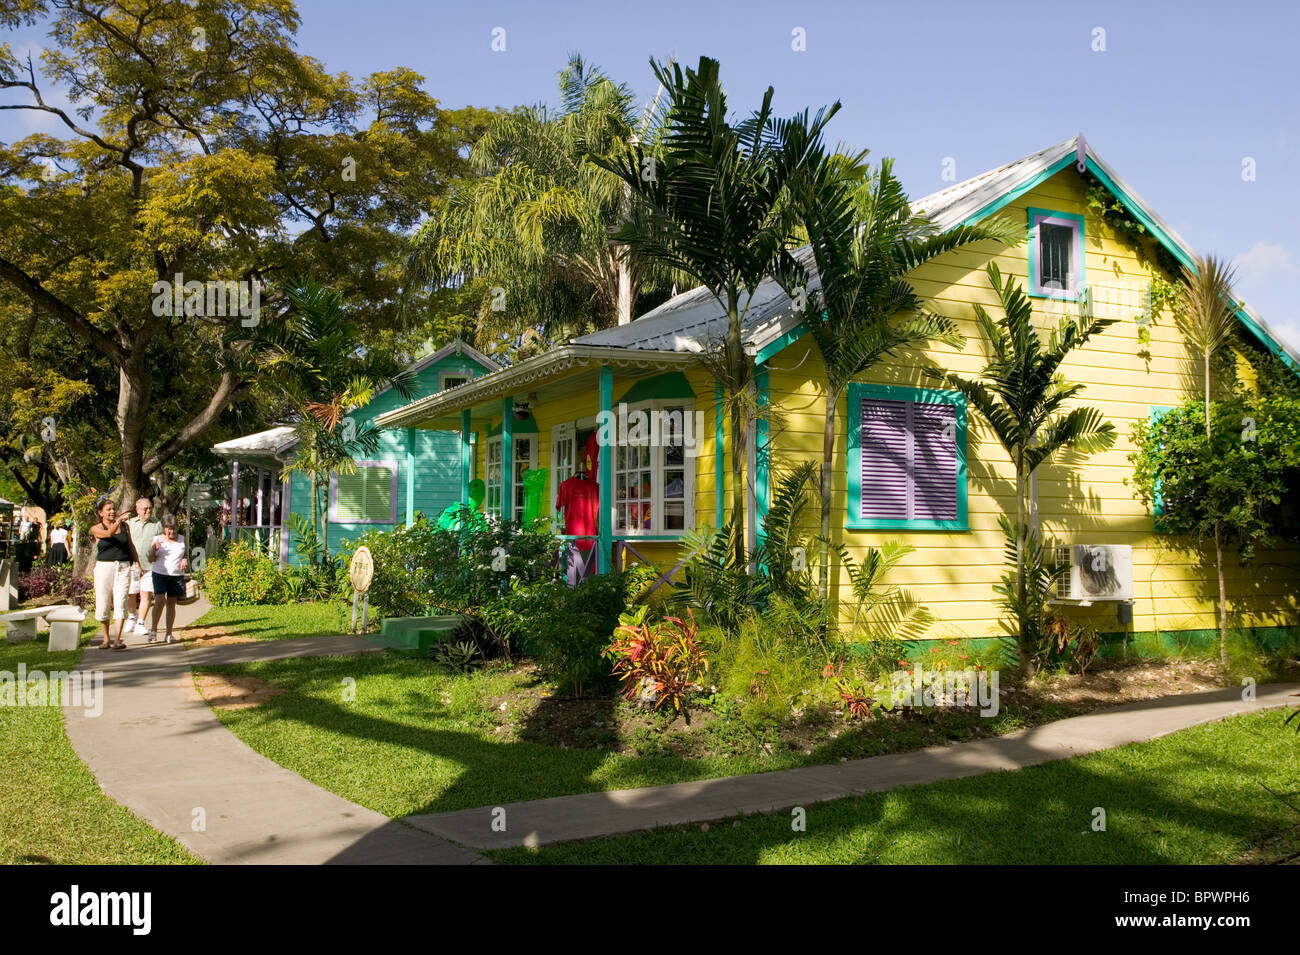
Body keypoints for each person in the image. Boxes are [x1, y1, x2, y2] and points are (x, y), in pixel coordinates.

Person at [90, 497, 136, 650]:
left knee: (121, 599)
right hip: (104, 567)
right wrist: (118, 520)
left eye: (113, 509)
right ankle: (105, 639)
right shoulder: (96, 528)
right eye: (108, 509)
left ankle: (117, 639)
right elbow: (108, 534)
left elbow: (130, 544)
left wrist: (137, 563)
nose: (112, 511)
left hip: (122, 566)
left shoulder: (124, 526)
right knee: (103, 601)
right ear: (100, 513)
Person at [147, 514, 188, 644]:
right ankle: (153, 630)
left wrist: (185, 560)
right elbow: (150, 559)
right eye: (169, 528)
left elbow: (184, 553)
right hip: (160, 573)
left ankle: (169, 633)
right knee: (159, 600)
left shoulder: (182, 539)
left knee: (171, 603)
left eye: (174, 528)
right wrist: (154, 549)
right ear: (164, 529)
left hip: (176, 575)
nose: (172, 532)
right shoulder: (158, 539)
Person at [125, 497, 162, 638]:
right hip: (133, 566)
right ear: (137, 510)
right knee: (131, 593)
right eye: (145, 508)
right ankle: (132, 616)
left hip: (150, 566)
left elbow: (160, 541)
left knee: (146, 594)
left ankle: (140, 623)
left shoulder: (157, 523)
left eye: (150, 508)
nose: (148, 511)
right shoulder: (130, 523)